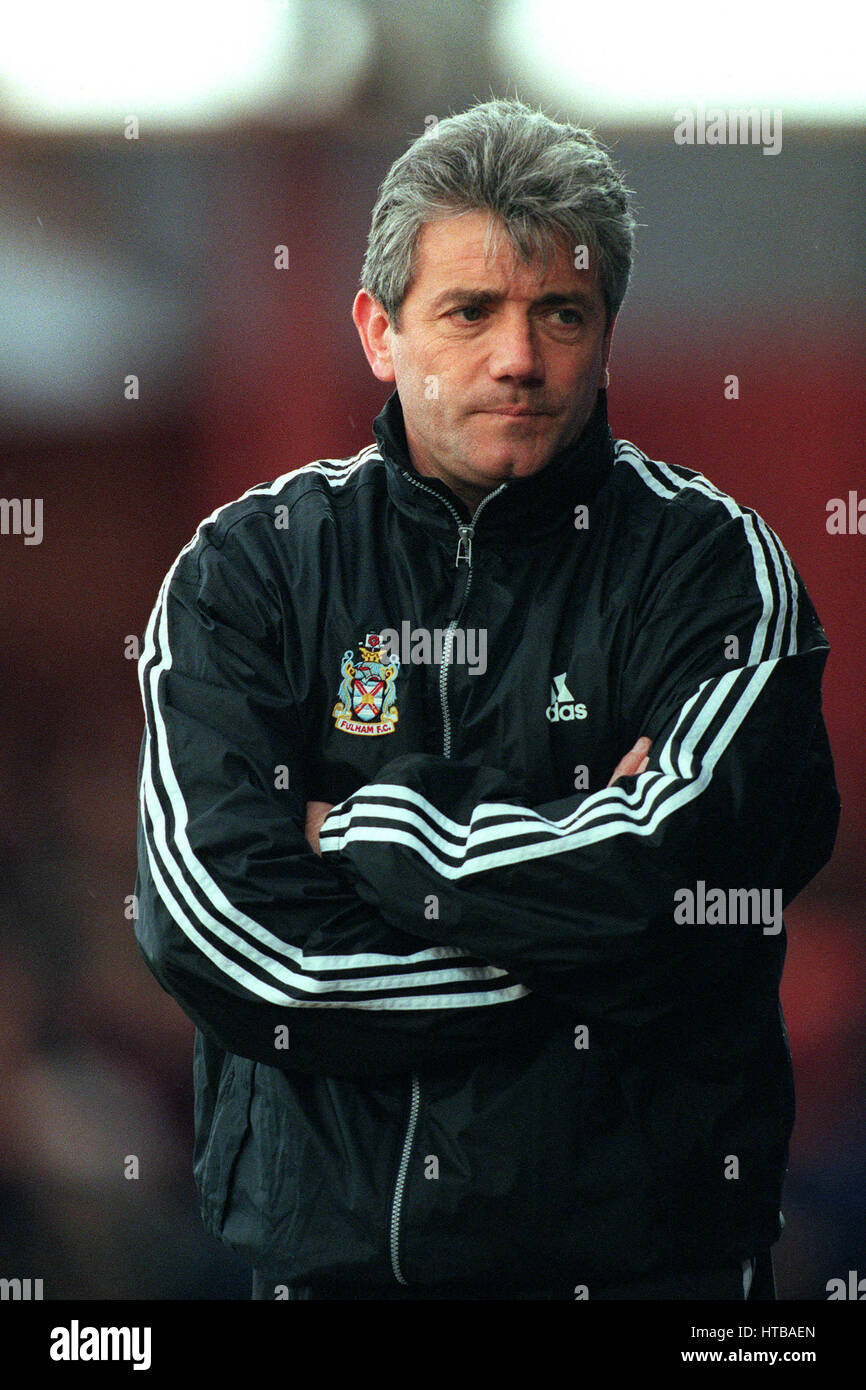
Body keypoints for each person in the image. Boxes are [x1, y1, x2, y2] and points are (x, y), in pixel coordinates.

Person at [134, 97, 840, 1300]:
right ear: (377, 329)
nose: (518, 357)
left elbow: (691, 886)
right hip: (331, 1272)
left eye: (559, 313)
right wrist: (583, 953)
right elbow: (229, 940)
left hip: (649, 1272)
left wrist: (363, 829)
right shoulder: (245, 571)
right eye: (469, 311)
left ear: (604, 331)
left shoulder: (713, 566)